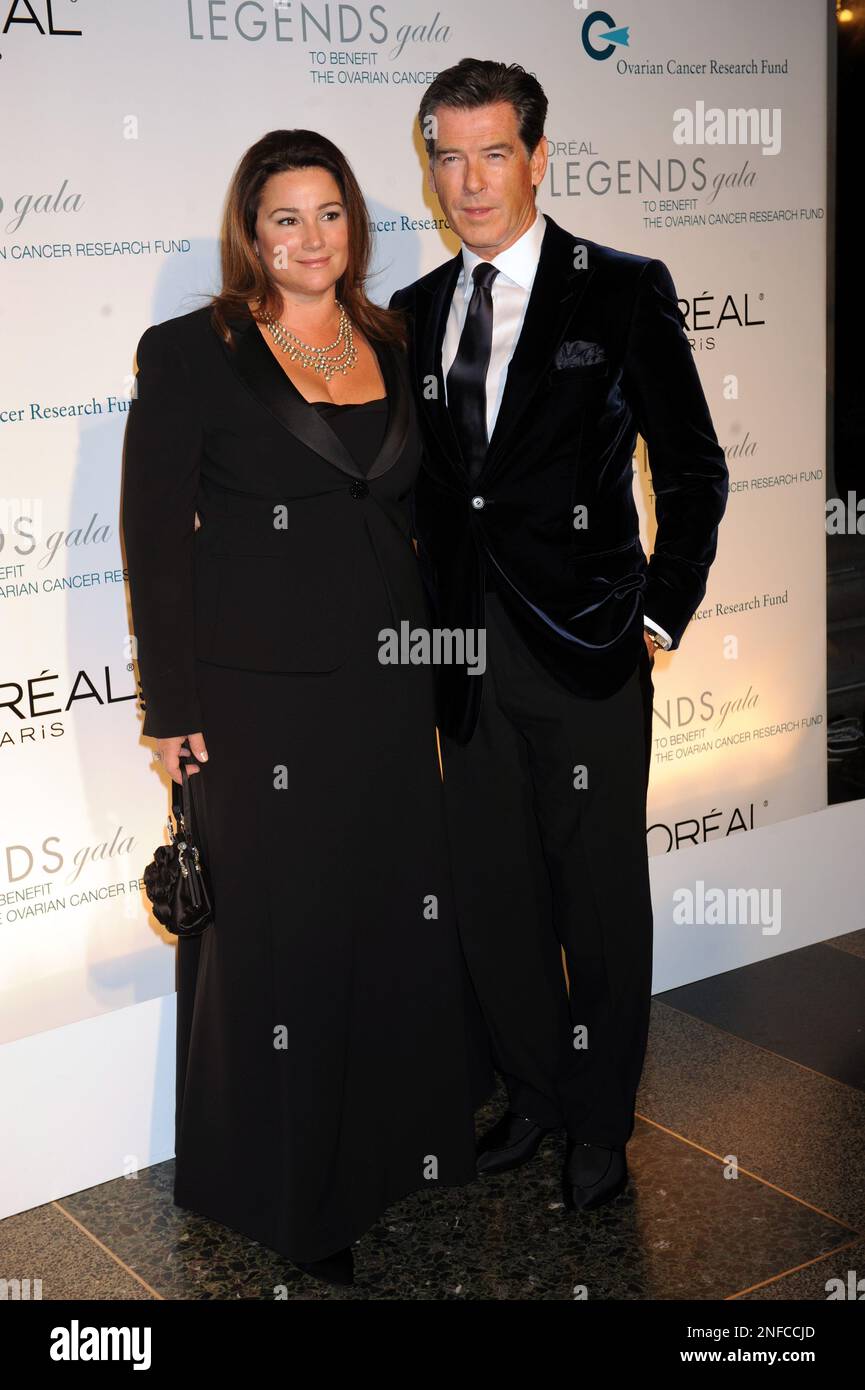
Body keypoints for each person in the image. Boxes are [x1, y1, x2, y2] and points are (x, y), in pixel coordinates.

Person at [121, 128, 494, 1287]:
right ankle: (290, 1188)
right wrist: (169, 704)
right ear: (250, 232)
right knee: (282, 943)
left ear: (355, 226)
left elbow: (421, 526)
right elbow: (154, 540)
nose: (310, 239)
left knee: (386, 922)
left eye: (329, 214)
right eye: (285, 218)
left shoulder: (391, 338)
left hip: (386, 693)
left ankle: (390, 1148)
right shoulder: (193, 352)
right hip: (257, 704)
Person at [390, 60, 729, 1211]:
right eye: (448, 154)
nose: (470, 180)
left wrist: (656, 612)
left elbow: (692, 470)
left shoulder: (621, 290)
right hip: (462, 666)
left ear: (539, 158)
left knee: (594, 896)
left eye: (494, 153)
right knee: (493, 894)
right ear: (428, 164)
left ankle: (599, 1118)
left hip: (587, 654)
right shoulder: (418, 312)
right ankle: (533, 1093)